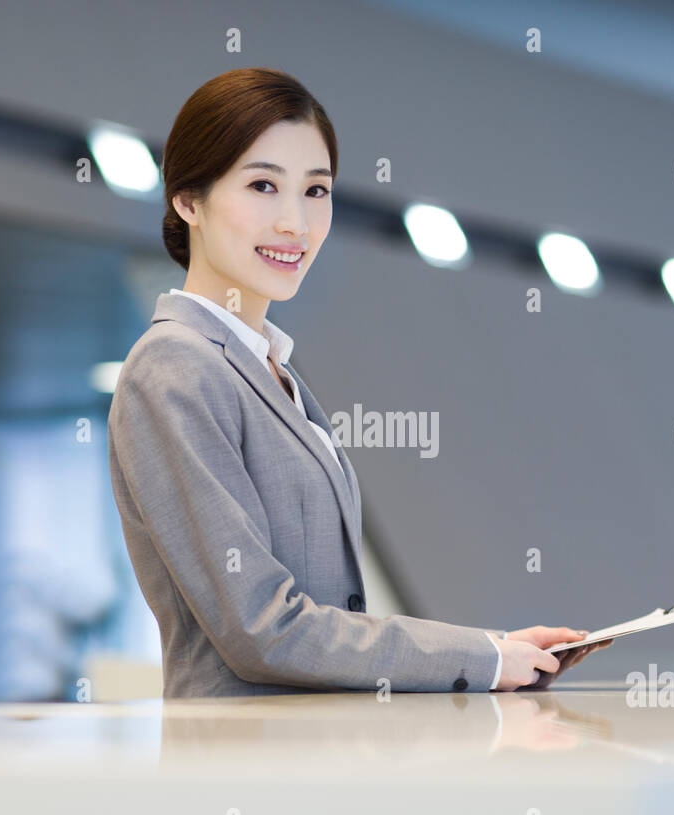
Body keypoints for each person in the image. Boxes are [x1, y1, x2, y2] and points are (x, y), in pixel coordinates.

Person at [108, 68, 611, 698]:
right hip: (241, 776)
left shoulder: (271, 370)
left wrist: (494, 649)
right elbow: (264, 630)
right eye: (263, 185)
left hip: (316, 764)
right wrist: (479, 658)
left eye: (316, 191)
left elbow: (324, 618)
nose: (295, 222)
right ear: (189, 201)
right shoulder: (175, 366)